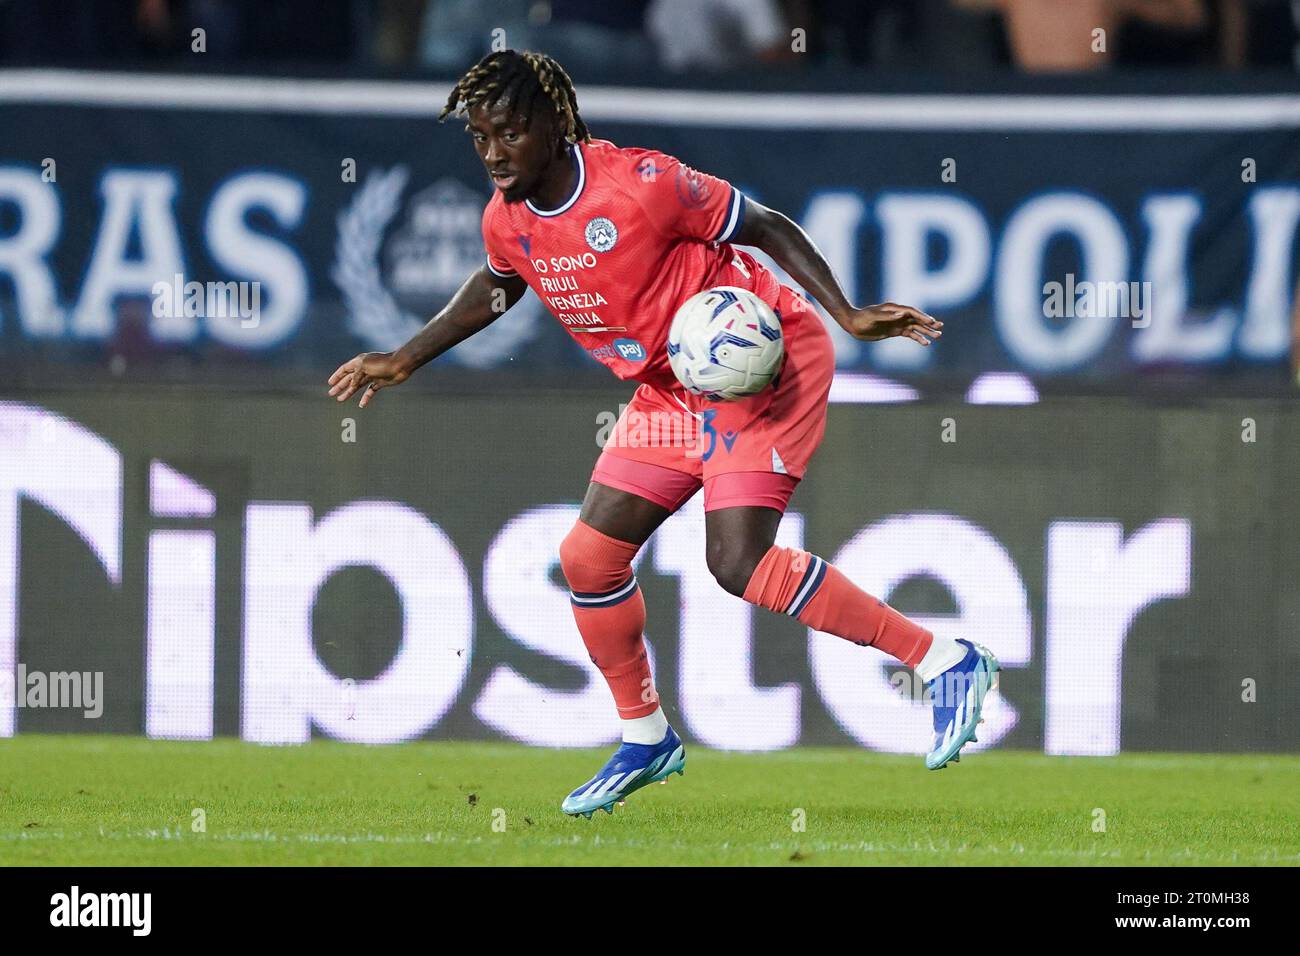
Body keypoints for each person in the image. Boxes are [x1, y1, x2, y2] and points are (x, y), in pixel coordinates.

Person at [328, 50, 1000, 818]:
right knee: (588, 556)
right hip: (673, 387)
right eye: (480, 138)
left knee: (737, 561)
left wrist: (847, 314)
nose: (493, 153)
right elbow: (497, 283)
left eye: (509, 133)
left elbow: (762, 223)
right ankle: (645, 736)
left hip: (762, 361)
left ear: (554, 124)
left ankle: (944, 662)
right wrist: (405, 358)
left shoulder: (640, 184)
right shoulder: (505, 219)